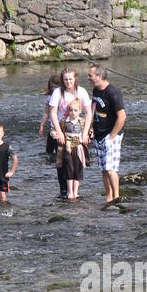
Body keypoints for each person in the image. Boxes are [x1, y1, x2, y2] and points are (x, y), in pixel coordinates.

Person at [49, 68, 92, 199]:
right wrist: (59, 132)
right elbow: (53, 113)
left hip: (77, 130)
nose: (68, 82)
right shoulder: (58, 92)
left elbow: (89, 113)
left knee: (78, 161)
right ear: (62, 80)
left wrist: (85, 133)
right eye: (66, 79)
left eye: (70, 79)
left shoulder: (81, 91)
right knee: (62, 161)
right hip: (61, 128)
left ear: (75, 79)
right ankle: (64, 191)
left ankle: (75, 191)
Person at [87, 64, 126, 204]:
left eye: (90, 75)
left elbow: (122, 116)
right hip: (99, 134)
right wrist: (90, 128)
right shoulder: (96, 91)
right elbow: (94, 110)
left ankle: (116, 198)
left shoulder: (113, 92)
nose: (88, 78)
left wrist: (113, 136)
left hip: (112, 135)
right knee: (103, 169)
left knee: (110, 168)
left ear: (99, 76)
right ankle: (108, 197)